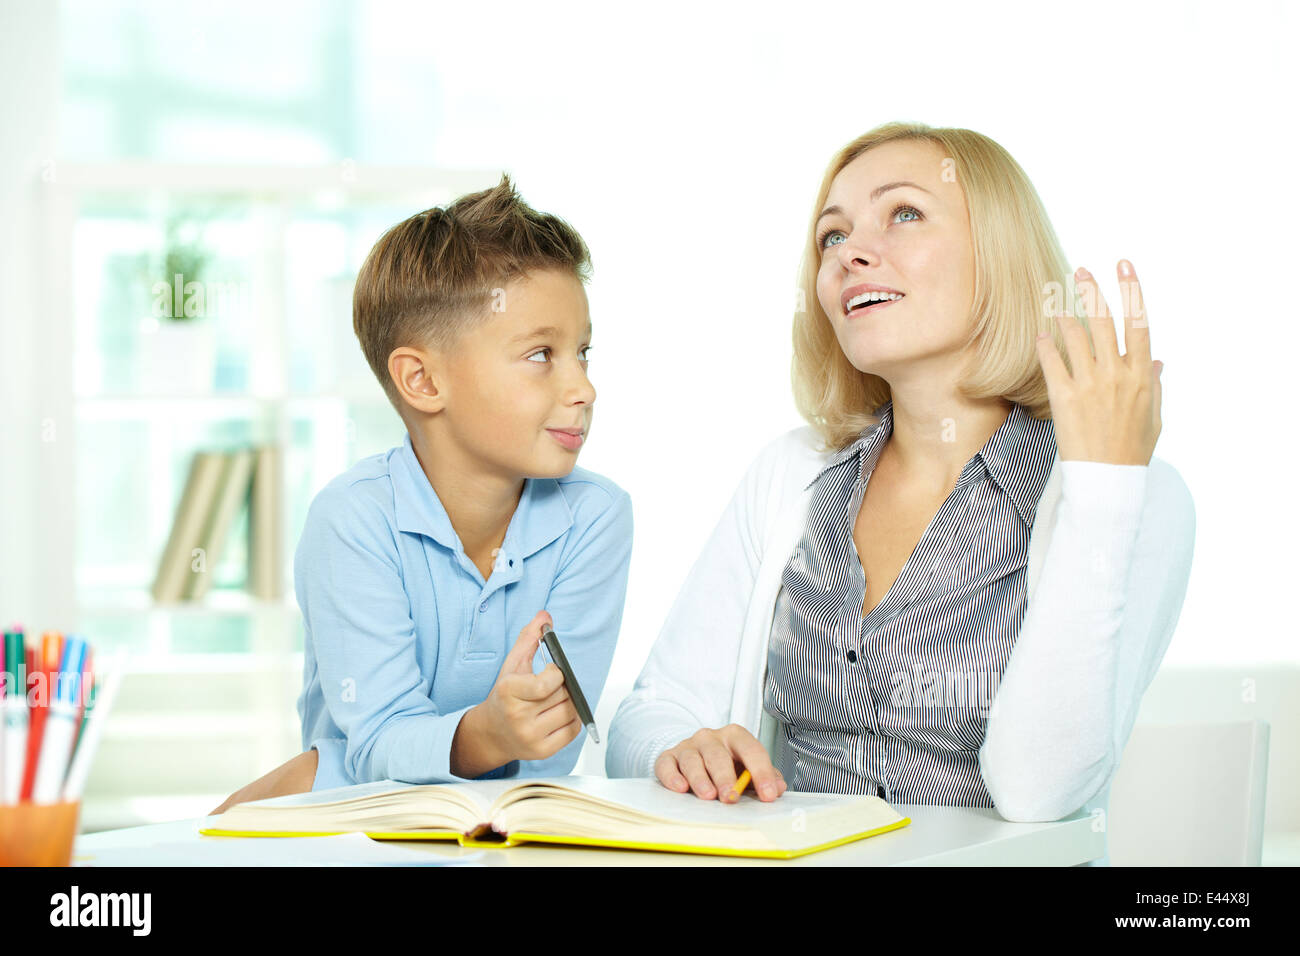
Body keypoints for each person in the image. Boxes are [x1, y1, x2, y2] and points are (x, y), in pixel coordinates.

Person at [606, 121, 1195, 866]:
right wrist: (681, 750)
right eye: (831, 236)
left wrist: (1104, 489)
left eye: (905, 213)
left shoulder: (1137, 499)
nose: (849, 253)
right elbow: (649, 714)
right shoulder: (790, 475)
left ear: (1002, 253)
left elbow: (1040, 789)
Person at [210, 176, 632, 813]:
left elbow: (552, 749)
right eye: (541, 354)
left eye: (583, 353)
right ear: (422, 380)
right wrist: (485, 734)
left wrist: (503, 739)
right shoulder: (352, 520)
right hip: (355, 819)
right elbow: (375, 747)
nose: (583, 388)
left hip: (511, 819)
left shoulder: (596, 518)